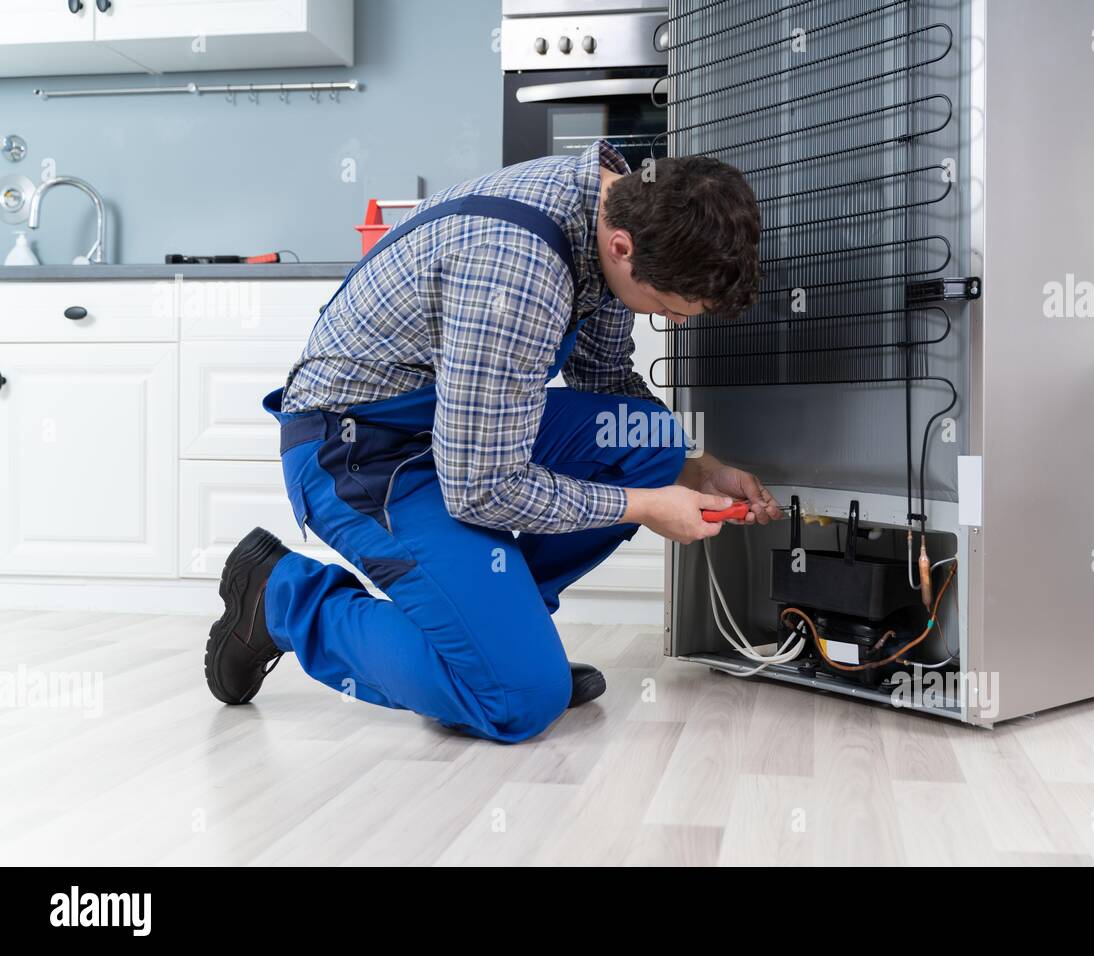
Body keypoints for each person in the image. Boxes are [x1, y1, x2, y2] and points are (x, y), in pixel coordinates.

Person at [204, 139, 782, 743]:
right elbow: (481, 489)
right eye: (669, 309)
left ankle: (498, 631)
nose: (677, 322)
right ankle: (282, 600)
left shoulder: (615, 206)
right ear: (622, 249)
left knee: (653, 442)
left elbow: (606, 382)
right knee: (519, 699)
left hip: (456, 434)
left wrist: (696, 468)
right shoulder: (519, 273)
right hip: (360, 452)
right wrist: (647, 506)